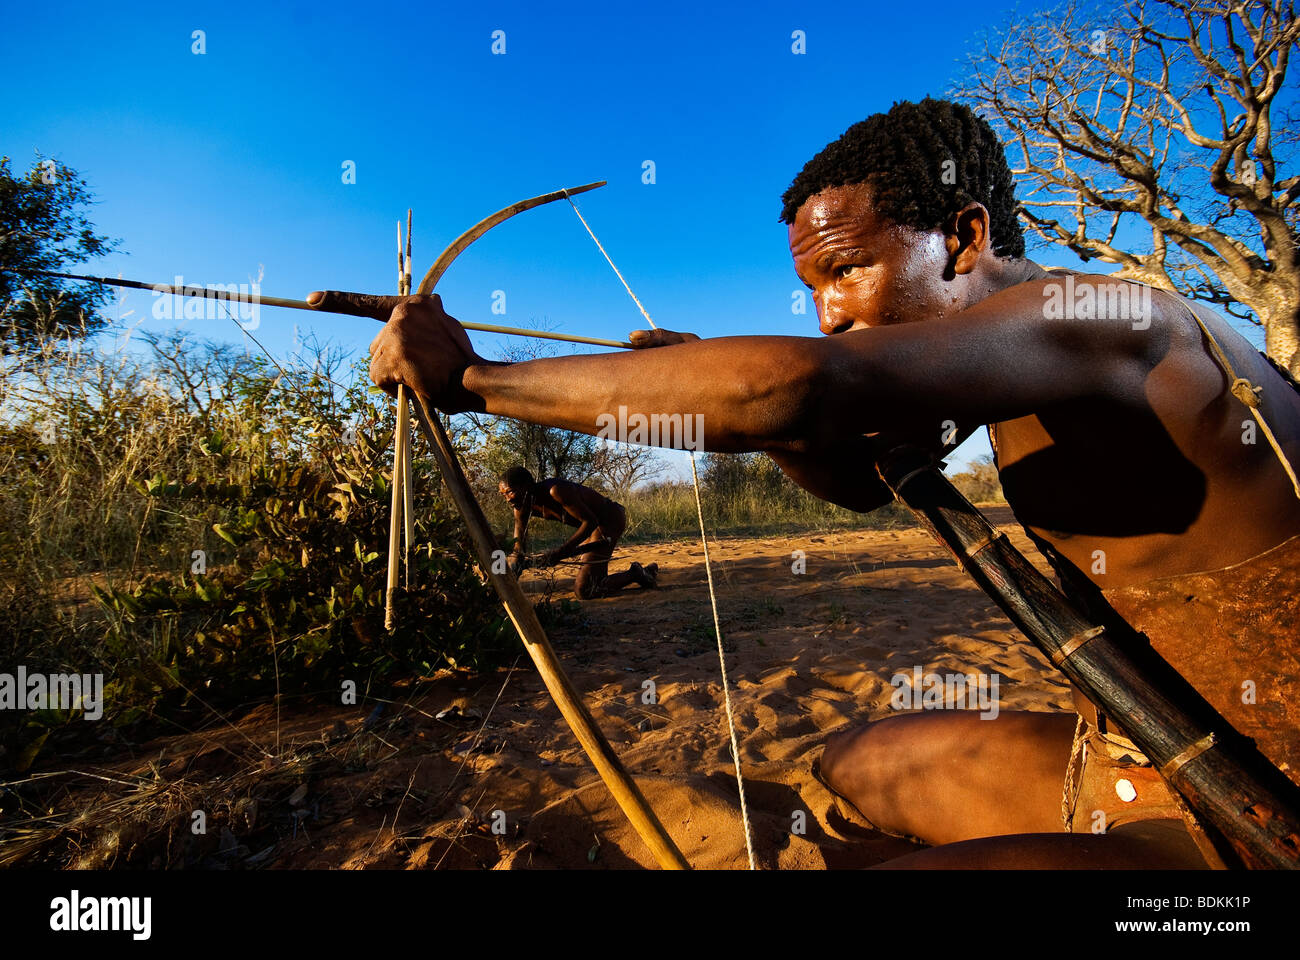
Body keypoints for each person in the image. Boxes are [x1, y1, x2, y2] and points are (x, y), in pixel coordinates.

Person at [359, 97, 1300, 867]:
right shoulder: (1009, 360)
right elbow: (853, 476)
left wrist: (477, 382)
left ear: (963, 237)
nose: (831, 313)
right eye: (813, 287)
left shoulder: (1104, 321)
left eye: (848, 271)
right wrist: (703, 374)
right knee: (858, 759)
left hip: (1256, 813)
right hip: (1145, 754)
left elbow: (801, 388)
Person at [497, 465, 657, 599]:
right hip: (594, 527)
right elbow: (518, 543)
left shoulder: (555, 490)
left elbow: (591, 522)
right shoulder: (521, 506)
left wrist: (560, 552)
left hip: (609, 520)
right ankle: (644, 572)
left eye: (511, 491)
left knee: (585, 590)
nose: (508, 499)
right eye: (503, 495)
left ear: (527, 485)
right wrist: (514, 569)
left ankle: (635, 573)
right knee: (591, 582)